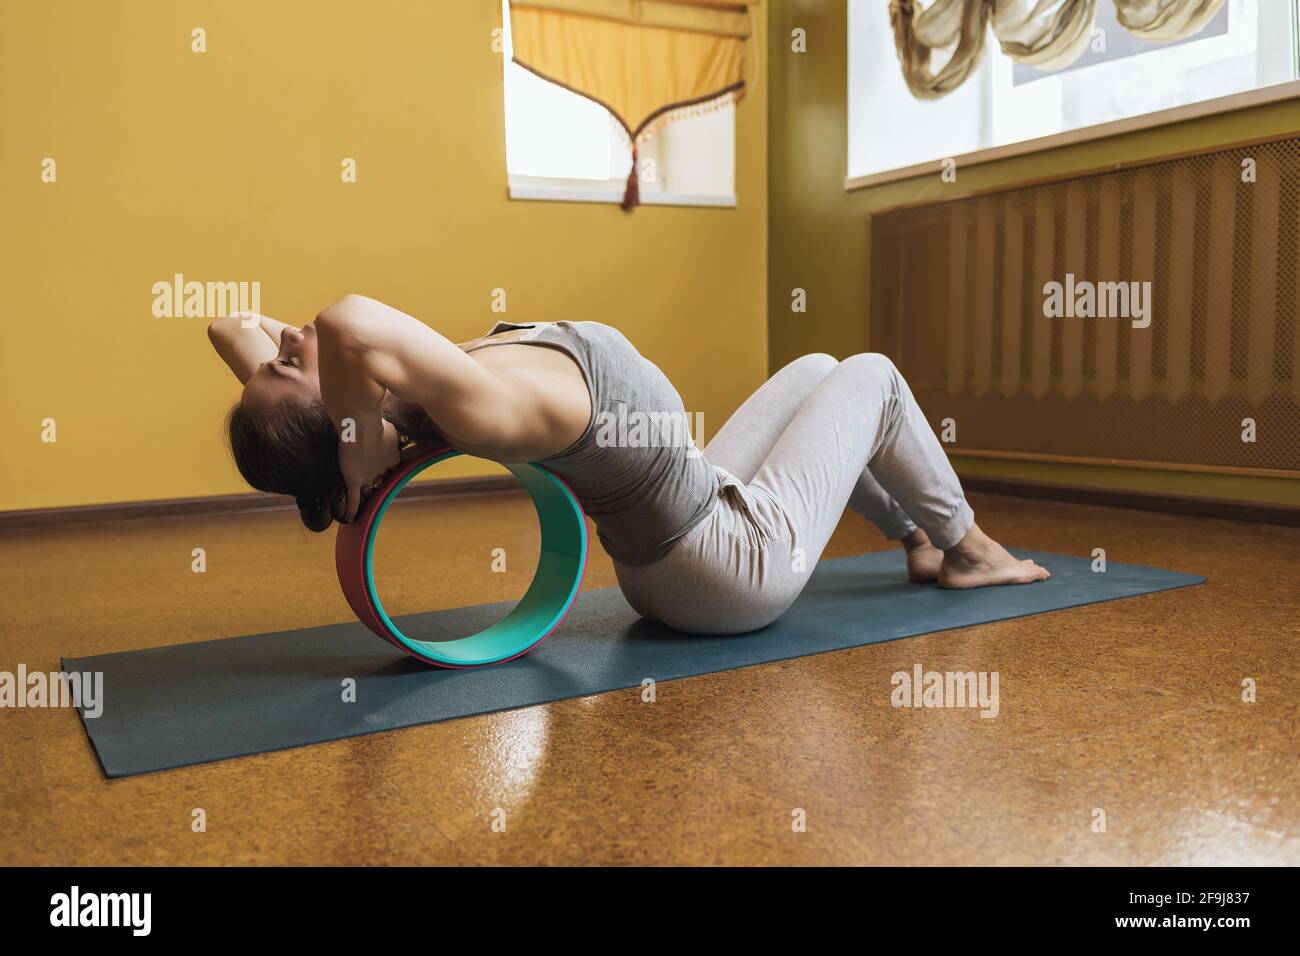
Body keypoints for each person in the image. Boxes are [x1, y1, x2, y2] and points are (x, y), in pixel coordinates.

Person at [209, 295, 1048, 635]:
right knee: (873, 376)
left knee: (821, 369)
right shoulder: (472, 406)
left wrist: (344, 433)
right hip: (728, 569)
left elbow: (228, 325)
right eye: (285, 367)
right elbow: (347, 320)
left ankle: (917, 540)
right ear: (346, 414)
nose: (283, 339)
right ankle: (973, 551)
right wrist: (356, 443)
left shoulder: (406, 391)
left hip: (693, 519)